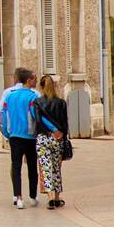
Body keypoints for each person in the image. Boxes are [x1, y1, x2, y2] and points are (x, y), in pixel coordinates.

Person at [1, 68, 40, 209]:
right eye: (34, 79)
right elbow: (35, 116)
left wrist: (6, 131)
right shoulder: (33, 96)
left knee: (16, 166)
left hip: (14, 136)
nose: (36, 81)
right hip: (29, 136)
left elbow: (5, 116)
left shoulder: (10, 96)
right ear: (28, 80)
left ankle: (18, 197)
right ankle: (33, 196)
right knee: (31, 167)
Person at [34, 75, 69, 209]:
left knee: (45, 168)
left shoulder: (38, 102)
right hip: (57, 138)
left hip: (43, 137)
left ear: (42, 87)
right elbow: (65, 123)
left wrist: (48, 130)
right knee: (56, 168)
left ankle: (49, 196)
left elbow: (38, 120)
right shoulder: (61, 103)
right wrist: (62, 135)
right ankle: (57, 197)